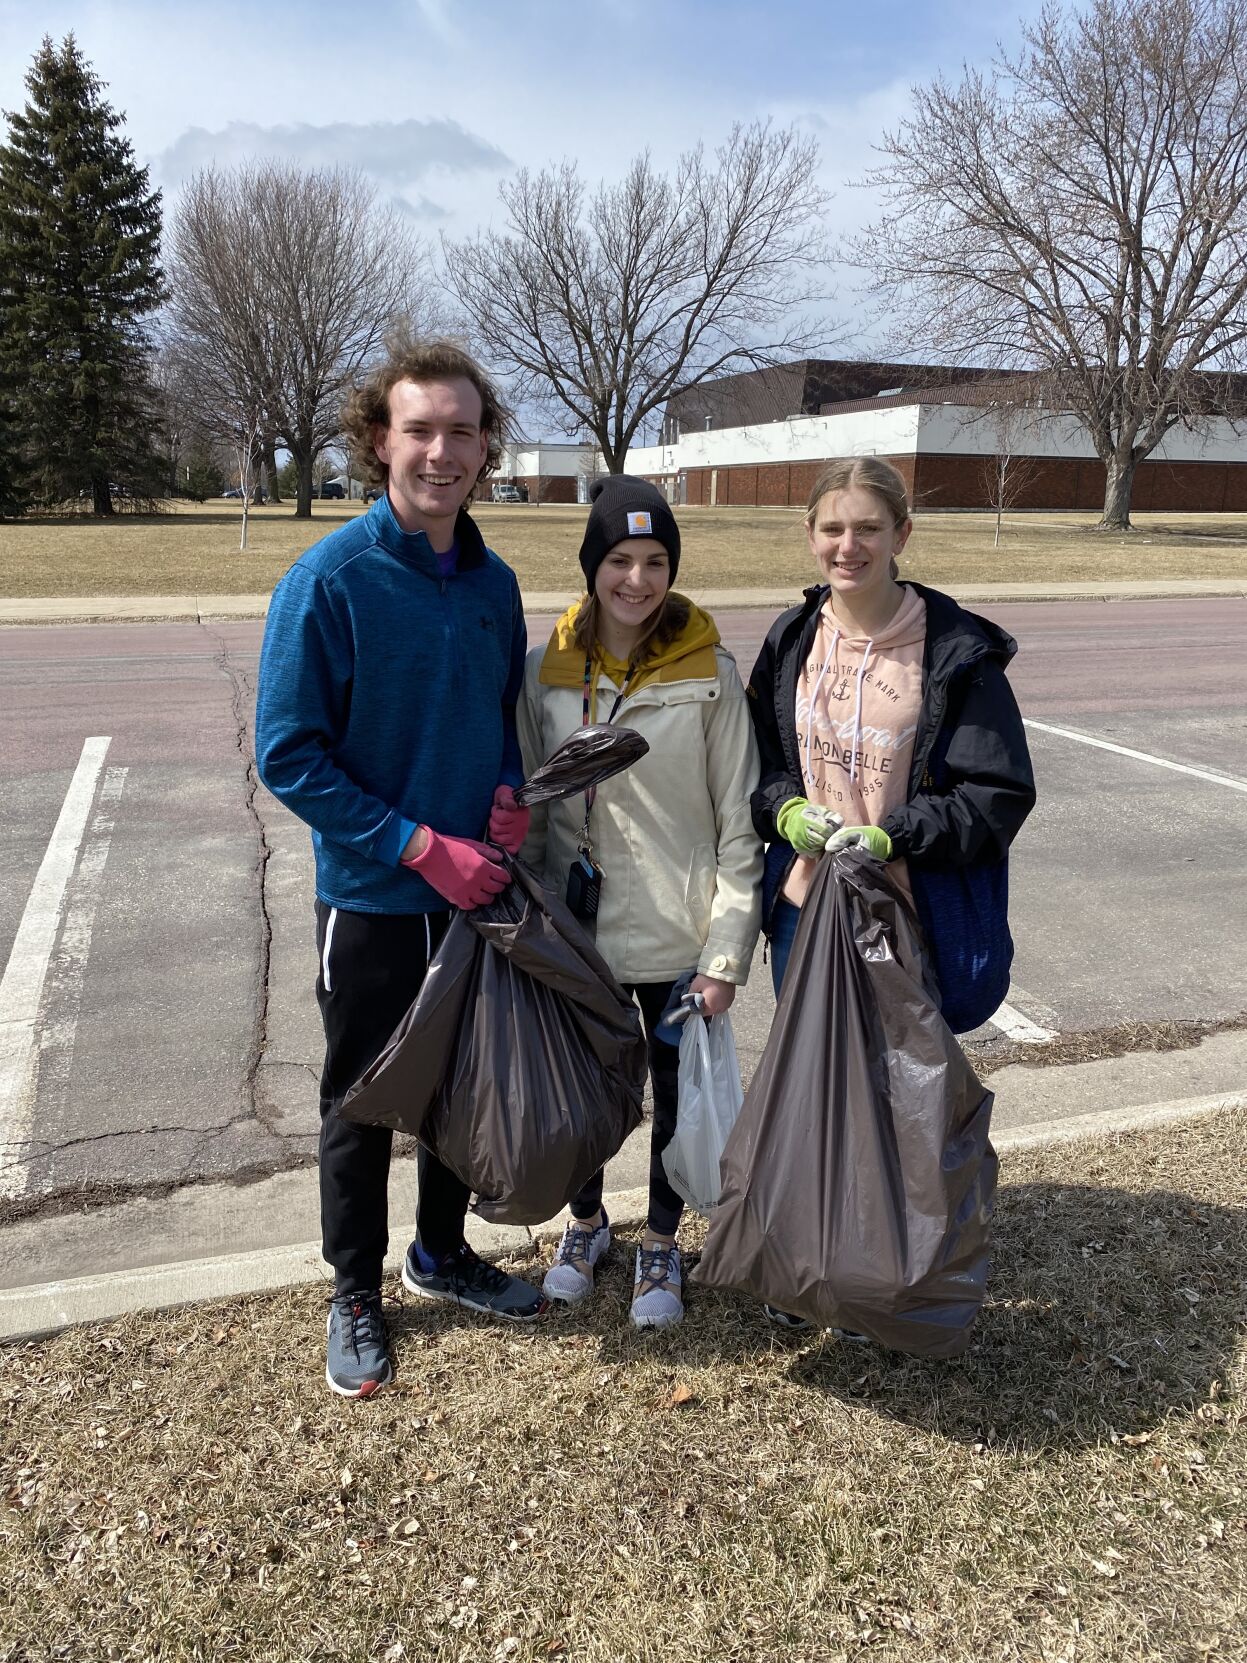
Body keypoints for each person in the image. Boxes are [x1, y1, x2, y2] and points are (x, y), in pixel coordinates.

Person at [255, 338, 546, 1399]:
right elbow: (288, 755)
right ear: (379, 440)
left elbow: (496, 721)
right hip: (378, 897)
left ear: (484, 445)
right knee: (363, 1104)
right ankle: (355, 1290)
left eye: (461, 430)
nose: (440, 450)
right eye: (418, 429)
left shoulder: (494, 582)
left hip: (476, 899)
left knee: (462, 1092)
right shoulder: (327, 580)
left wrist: (507, 796)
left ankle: (442, 1253)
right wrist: (419, 844)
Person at [745, 455, 1036, 1326]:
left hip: (906, 916)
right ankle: (815, 1262)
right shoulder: (791, 641)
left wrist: (895, 835)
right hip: (807, 909)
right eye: (832, 527)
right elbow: (757, 767)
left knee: (901, 1099)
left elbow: (996, 794)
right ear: (809, 535)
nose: (848, 544)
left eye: (868, 527)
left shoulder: (954, 651)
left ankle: (903, 1265)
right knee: (818, 1088)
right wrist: (783, 809)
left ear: (901, 535)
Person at [518, 475, 762, 1330]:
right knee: (581, 1090)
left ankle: (660, 1235)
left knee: (670, 1091)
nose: (636, 578)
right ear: (591, 564)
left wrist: (724, 955)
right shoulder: (545, 667)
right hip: (575, 931)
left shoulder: (710, 673)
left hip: (676, 931)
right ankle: (586, 1224)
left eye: (655, 560)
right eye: (617, 559)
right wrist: (530, 923)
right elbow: (530, 809)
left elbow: (739, 825)